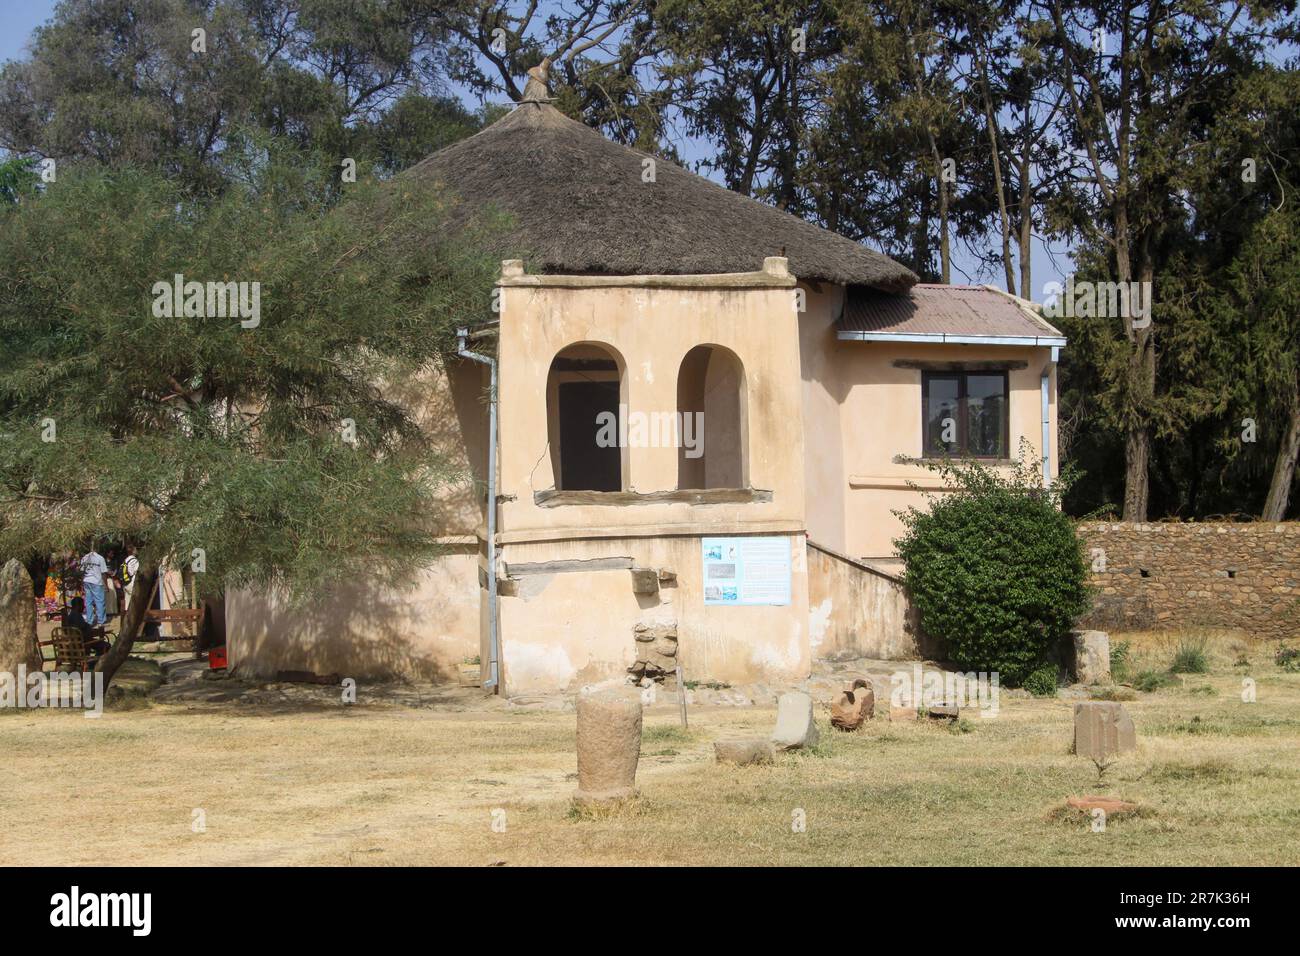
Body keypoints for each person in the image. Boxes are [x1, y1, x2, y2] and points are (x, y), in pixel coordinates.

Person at [80, 543, 109, 627]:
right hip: (96, 582)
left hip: (86, 581)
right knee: (99, 601)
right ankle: (101, 621)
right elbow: (104, 573)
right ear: (97, 548)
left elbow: (82, 572)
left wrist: (82, 583)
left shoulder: (84, 558)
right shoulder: (100, 558)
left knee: (88, 602)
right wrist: (106, 585)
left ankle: (89, 621)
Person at [121, 545, 140, 613]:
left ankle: (126, 618)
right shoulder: (134, 560)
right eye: (136, 549)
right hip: (131, 582)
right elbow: (132, 572)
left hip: (125, 583)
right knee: (134, 601)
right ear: (133, 551)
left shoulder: (126, 560)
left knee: (127, 602)